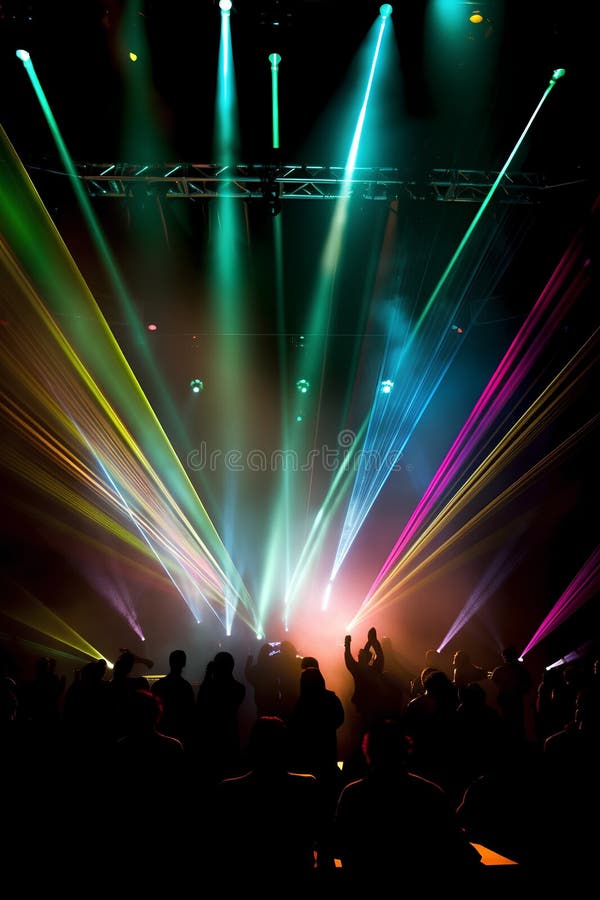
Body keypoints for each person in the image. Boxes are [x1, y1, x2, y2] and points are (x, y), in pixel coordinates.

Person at [333, 718, 482, 888]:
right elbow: (458, 848)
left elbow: (338, 844)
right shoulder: (430, 793)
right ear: (406, 750)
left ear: (368, 751)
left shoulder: (353, 794)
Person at [207, 715, 321, 884]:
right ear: (286, 747)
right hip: (295, 873)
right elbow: (317, 835)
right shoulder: (306, 785)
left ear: (253, 747)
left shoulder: (229, 790)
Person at [151, 649, 195, 748]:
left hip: (162, 730)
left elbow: (151, 710)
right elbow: (190, 712)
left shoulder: (158, 685)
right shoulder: (186, 687)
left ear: (170, 662)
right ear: (184, 664)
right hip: (181, 731)